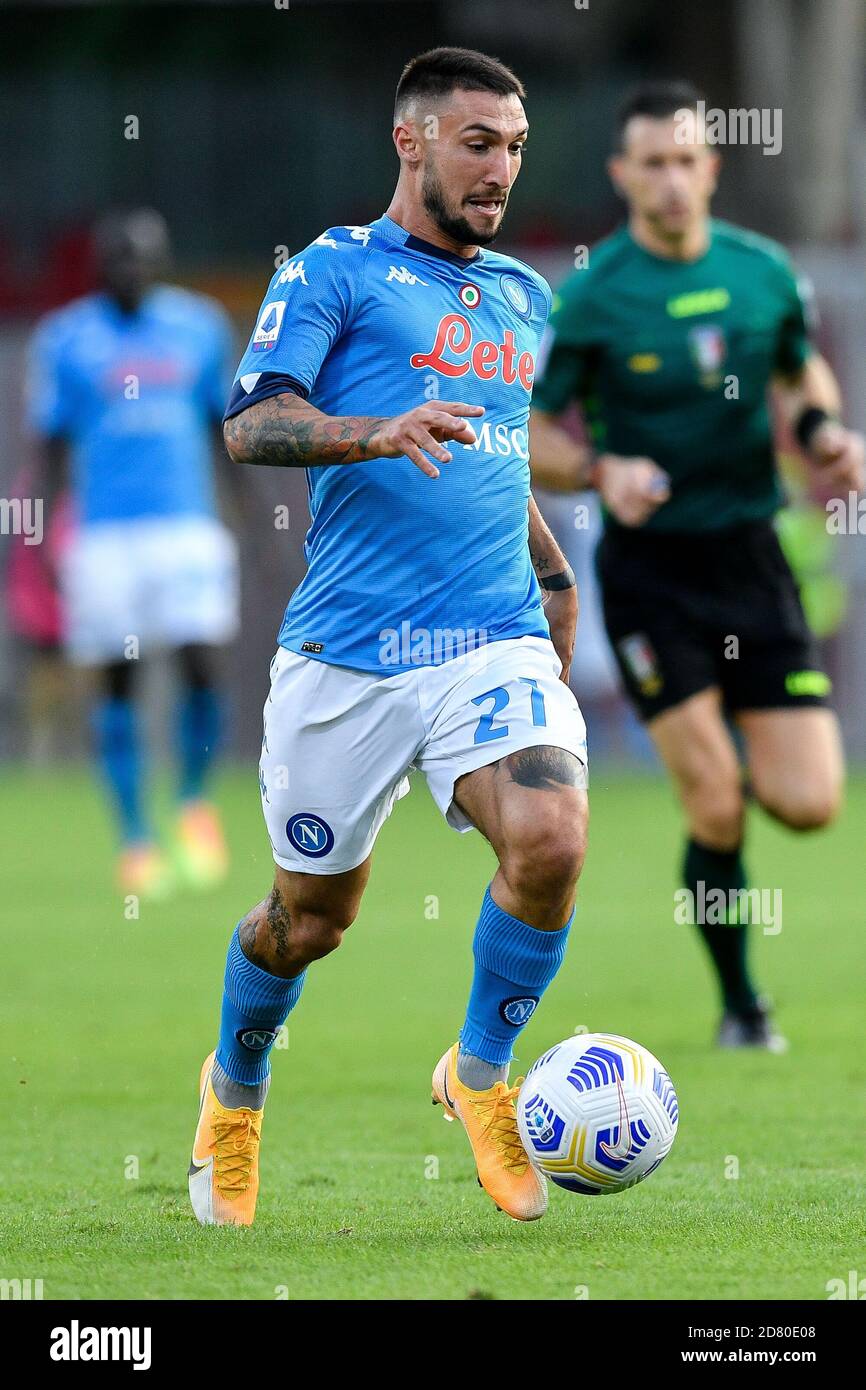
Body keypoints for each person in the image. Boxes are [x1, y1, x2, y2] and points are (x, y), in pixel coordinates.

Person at [188, 46, 588, 1227]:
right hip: (349, 656)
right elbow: (252, 425)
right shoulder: (331, 270)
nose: (500, 168)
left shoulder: (521, 295)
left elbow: (492, 450)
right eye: (478, 143)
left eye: (514, 147)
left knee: (551, 834)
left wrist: (550, 570)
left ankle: (480, 1073)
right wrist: (373, 430)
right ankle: (235, 1089)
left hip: (488, 635)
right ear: (410, 142)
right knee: (308, 920)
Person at [529, 82, 865, 1049]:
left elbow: (798, 370)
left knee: (809, 803)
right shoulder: (593, 296)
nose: (671, 180)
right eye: (653, 164)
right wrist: (602, 469)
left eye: (686, 161)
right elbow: (533, 432)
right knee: (715, 799)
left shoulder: (762, 273)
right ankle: (743, 1008)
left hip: (753, 563)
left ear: (711, 168)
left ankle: (725, 769)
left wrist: (823, 431)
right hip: (652, 577)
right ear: (623, 174)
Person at [28, 209, 240, 898]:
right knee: (118, 680)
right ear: (98, 266)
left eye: (142, 256)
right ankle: (135, 838)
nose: (130, 268)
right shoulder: (67, 337)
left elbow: (222, 430)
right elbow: (49, 446)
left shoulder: (199, 326)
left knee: (202, 665)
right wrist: (36, 535)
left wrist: (249, 520)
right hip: (105, 535)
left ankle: (192, 804)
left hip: (186, 526)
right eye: (118, 257)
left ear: (162, 260)